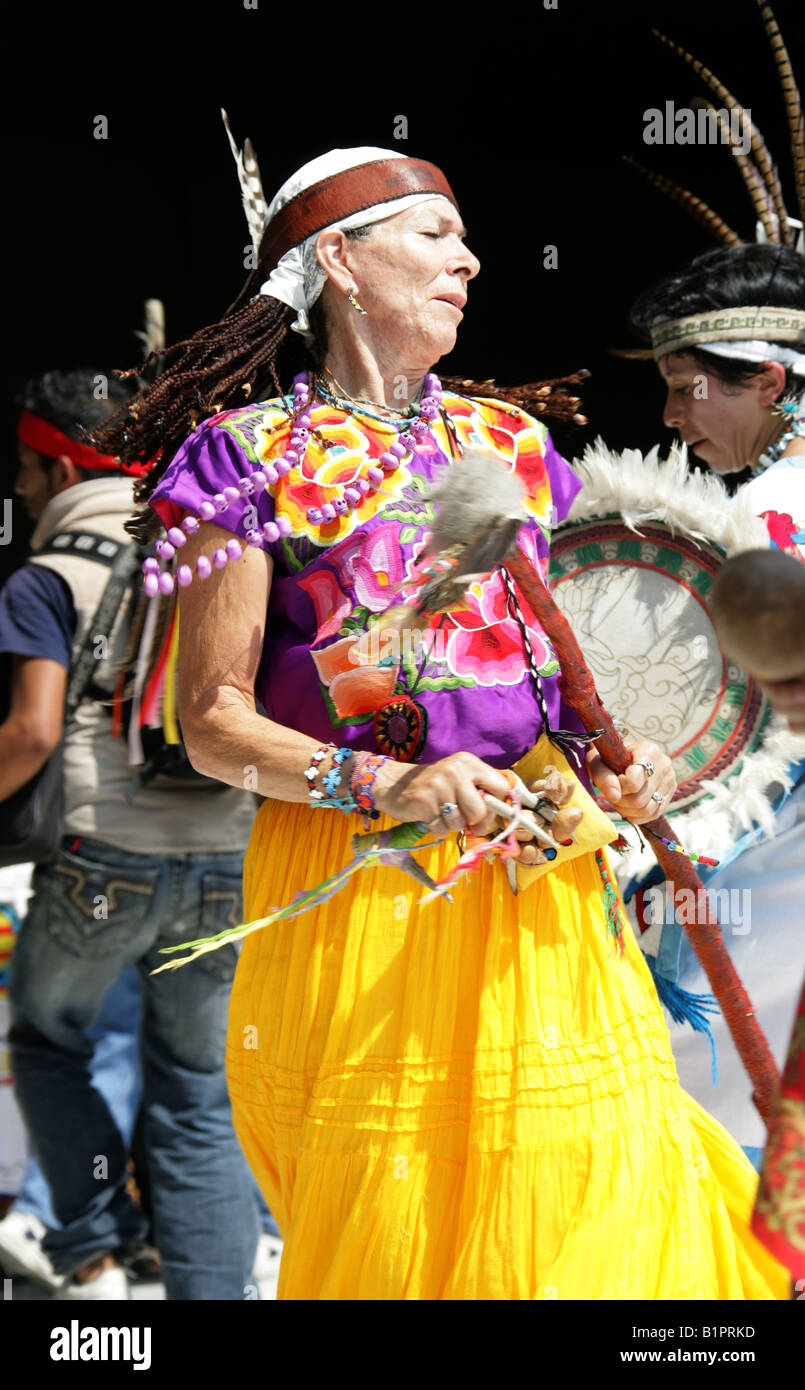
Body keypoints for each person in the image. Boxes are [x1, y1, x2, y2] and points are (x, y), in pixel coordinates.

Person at [95, 142, 788, 1299]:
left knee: (601, 1184)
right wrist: (385, 784)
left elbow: (555, 678)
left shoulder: (506, 445)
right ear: (341, 263)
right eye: (433, 233)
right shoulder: (244, 458)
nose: (469, 258)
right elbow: (211, 721)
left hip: (539, 881)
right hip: (361, 893)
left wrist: (620, 765)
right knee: (404, 1223)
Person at [2, 369, 260, 1299]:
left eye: (27, 469)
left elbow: (32, 733)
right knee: (198, 1092)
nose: (22, 488)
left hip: (102, 853)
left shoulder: (49, 572)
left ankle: (95, 1247)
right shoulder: (214, 544)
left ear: (56, 460)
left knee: (45, 1038)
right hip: (226, 851)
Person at [628, 242, 805, 1167]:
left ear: (768, 380)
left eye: (688, 386)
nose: (668, 415)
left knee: (705, 1125)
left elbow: (735, 740)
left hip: (771, 865)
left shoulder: (768, 517)